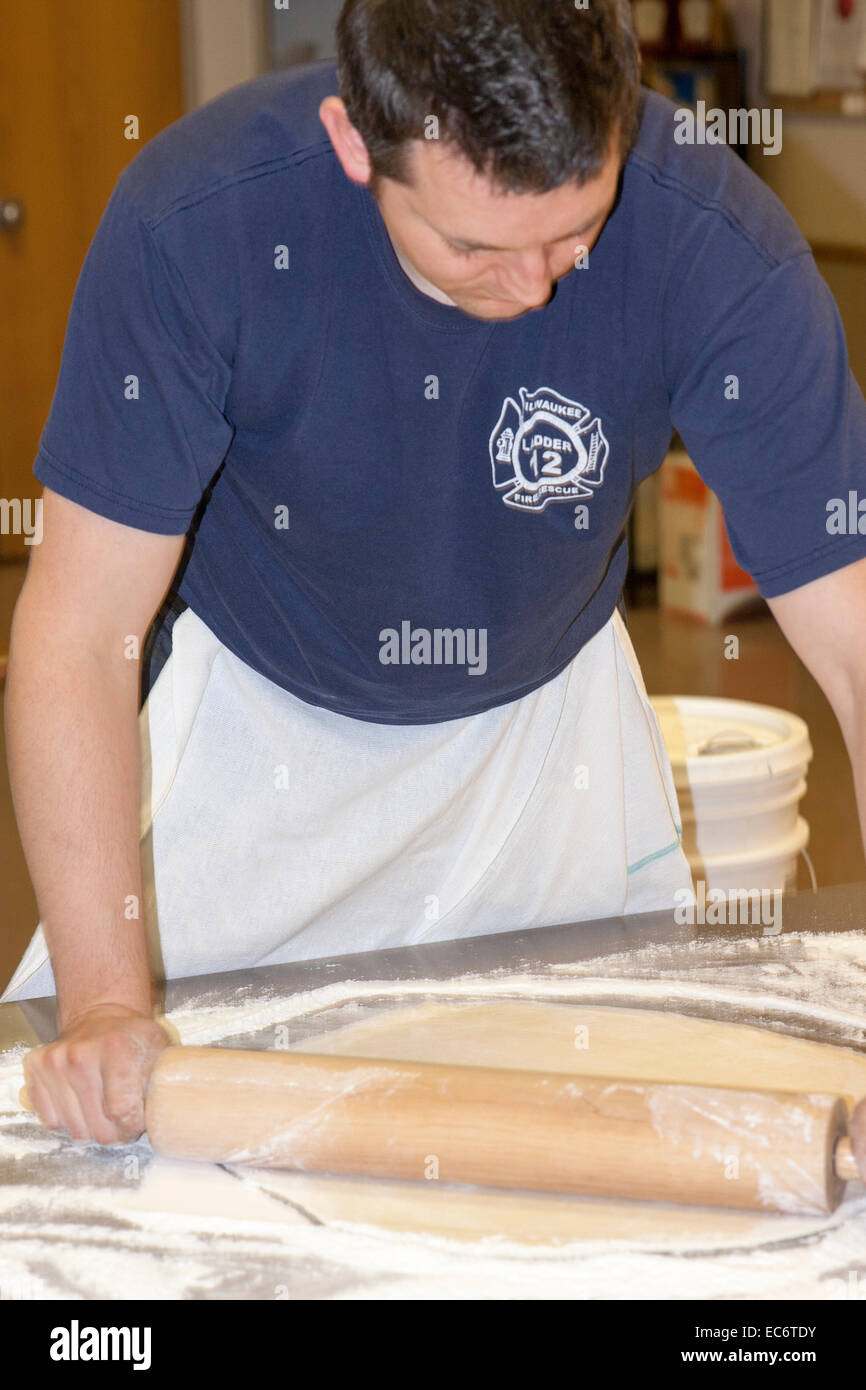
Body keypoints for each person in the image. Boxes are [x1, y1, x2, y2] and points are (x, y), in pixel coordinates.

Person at [6, 1, 866, 1160]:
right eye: (472, 248)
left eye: (574, 235)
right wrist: (109, 1000)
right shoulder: (198, 224)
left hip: (545, 745)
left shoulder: (712, 240)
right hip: (252, 741)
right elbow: (79, 630)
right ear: (356, 145)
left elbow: (856, 643)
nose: (532, 294)